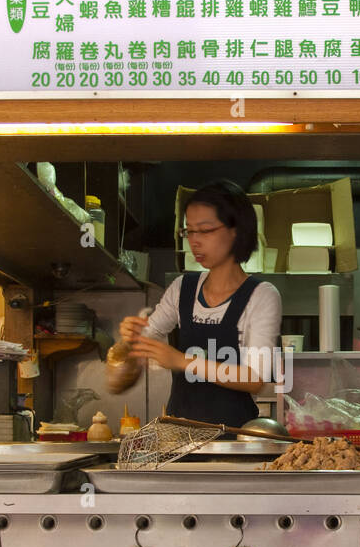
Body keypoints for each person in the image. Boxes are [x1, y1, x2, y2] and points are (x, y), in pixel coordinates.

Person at [119, 181, 282, 424]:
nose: (194, 241)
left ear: (236, 230)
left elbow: (254, 378)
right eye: (189, 231)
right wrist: (131, 337)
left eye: (205, 230)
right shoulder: (182, 289)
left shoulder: (261, 295)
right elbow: (146, 339)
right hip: (180, 438)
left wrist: (182, 361)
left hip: (235, 441)